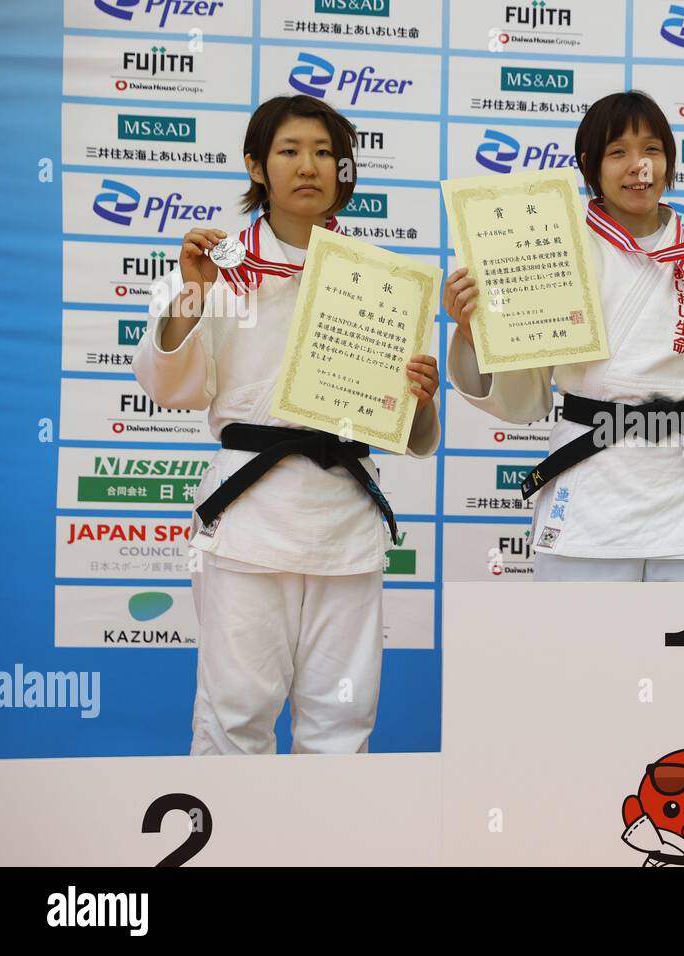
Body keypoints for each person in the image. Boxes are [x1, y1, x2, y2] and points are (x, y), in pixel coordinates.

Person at [133, 95, 441, 755]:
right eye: (290, 151)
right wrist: (192, 292)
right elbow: (168, 385)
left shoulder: (380, 277)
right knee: (235, 716)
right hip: (249, 515)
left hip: (344, 518)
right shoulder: (214, 264)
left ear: (345, 169)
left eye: (326, 153)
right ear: (255, 165)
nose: (310, 166)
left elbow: (408, 433)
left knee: (341, 724)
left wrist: (421, 397)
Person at [443, 90, 684, 582]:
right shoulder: (550, 246)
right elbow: (523, 395)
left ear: (669, 161)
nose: (639, 166)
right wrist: (477, 330)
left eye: (652, 150)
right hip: (592, 488)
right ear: (590, 165)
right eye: (618, 152)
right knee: (582, 655)